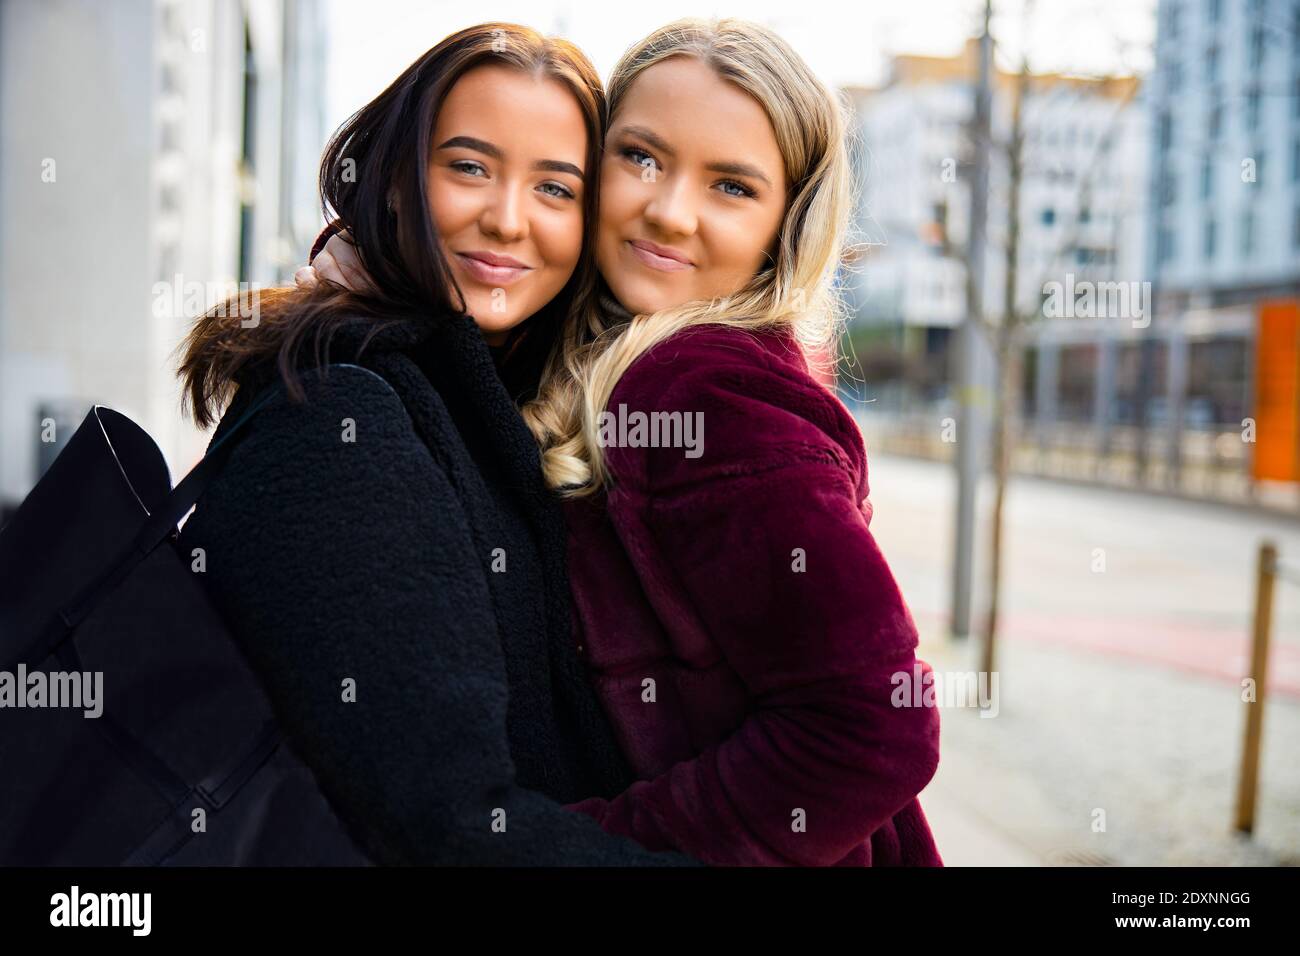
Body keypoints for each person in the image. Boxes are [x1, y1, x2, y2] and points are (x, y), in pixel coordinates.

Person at [177, 22, 695, 866]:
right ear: (392, 182)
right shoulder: (339, 419)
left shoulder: (485, 401)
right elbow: (449, 825)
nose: (507, 219)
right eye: (468, 167)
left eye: (557, 189)